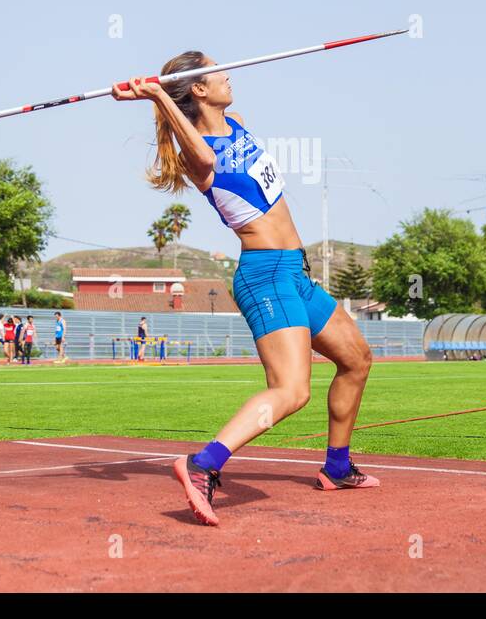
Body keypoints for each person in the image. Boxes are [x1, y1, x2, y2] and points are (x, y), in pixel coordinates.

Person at [112, 52, 378, 526]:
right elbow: (204, 154)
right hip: (265, 275)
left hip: (295, 273)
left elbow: (212, 129)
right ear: (197, 87)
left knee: (356, 357)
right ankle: (202, 464)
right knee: (292, 390)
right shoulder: (199, 159)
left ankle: (337, 467)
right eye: (218, 70)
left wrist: (159, 95)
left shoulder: (234, 122)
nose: (228, 74)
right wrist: (154, 94)